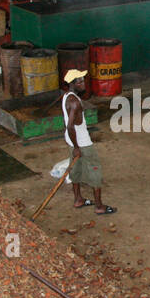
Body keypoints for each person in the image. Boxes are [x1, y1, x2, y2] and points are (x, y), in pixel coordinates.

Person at [61, 68, 115, 215]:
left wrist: (73, 145)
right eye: (79, 81)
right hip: (82, 144)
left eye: (82, 80)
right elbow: (70, 126)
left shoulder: (66, 96)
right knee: (95, 172)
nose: (83, 83)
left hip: (72, 142)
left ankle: (78, 199)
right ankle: (99, 206)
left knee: (75, 170)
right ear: (72, 84)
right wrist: (78, 147)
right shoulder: (75, 103)